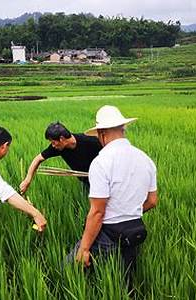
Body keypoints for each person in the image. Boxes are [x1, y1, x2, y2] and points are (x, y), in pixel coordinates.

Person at [66, 105, 158, 284]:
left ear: (101, 133)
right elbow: (152, 201)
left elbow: (97, 212)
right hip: (135, 231)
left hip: (108, 232)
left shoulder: (101, 162)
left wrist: (84, 249)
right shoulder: (145, 159)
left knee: (69, 270)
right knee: (125, 282)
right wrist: (128, 211)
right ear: (123, 129)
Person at [19, 122, 102, 194]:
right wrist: (27, 180)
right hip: (85, 181)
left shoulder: (90, 141)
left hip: (102, 179)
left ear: (61, 139)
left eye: (53, 142)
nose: (53, 145)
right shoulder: (58, 148)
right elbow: (38, 159)